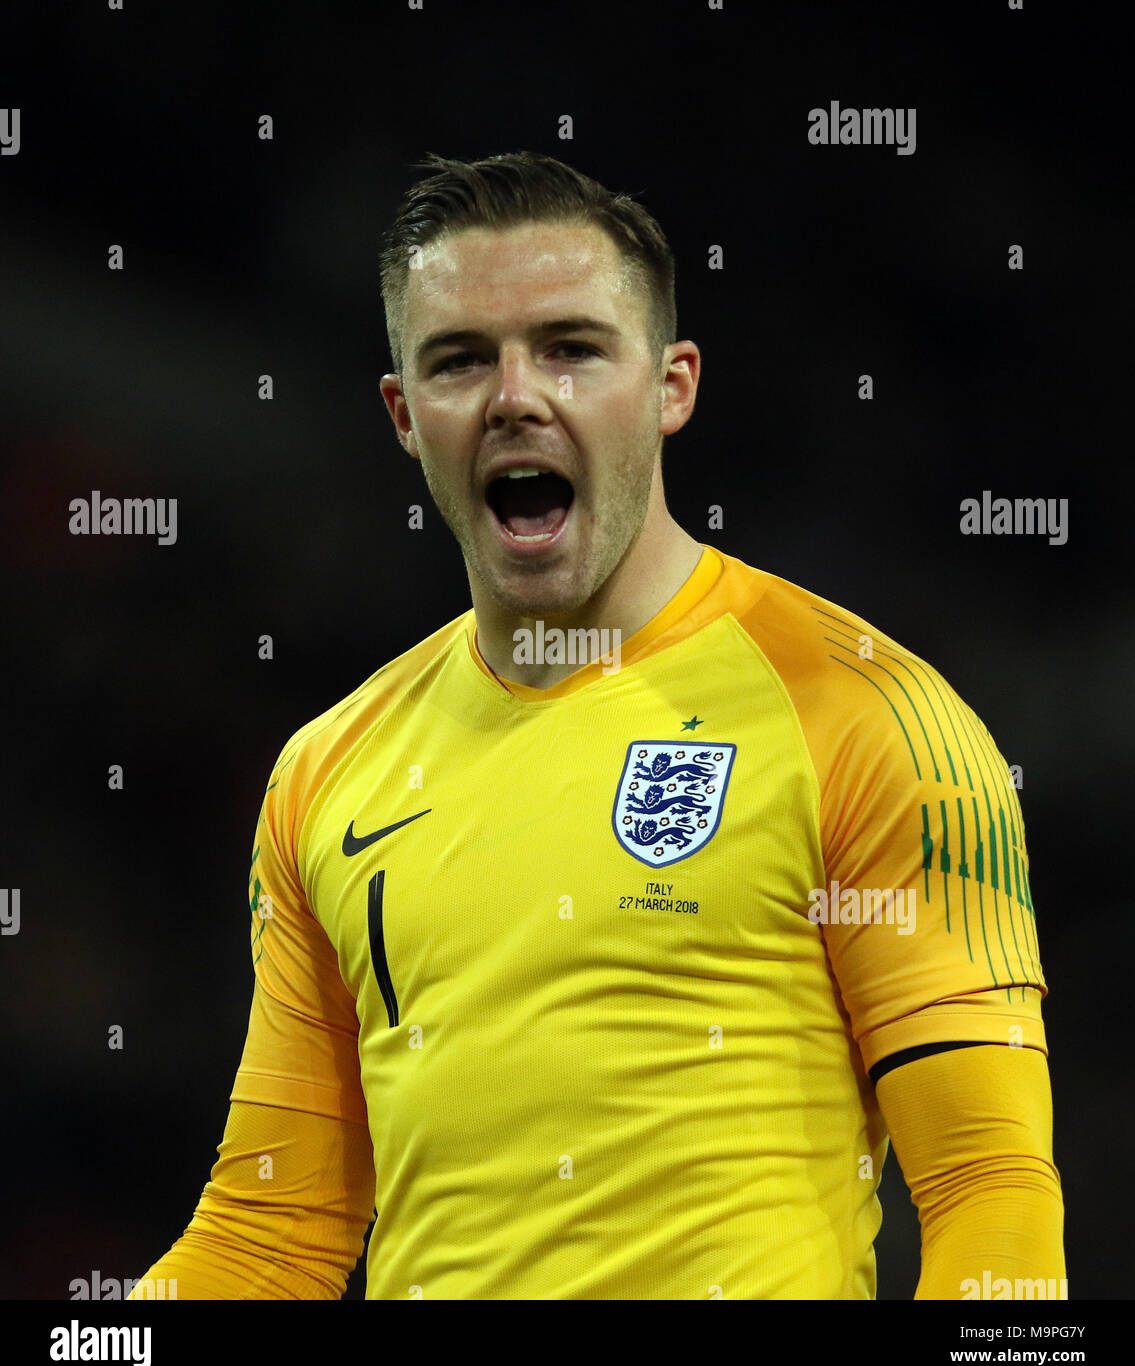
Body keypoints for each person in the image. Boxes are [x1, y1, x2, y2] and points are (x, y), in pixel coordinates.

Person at [130, 151, 1064, 1299]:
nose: (516, 396)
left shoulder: (864, 713)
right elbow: (267, 1236)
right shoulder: (326, 771)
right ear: (403, 414)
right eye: (461, 360)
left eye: (571, 349)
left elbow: (991, 1188)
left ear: (671, 387)